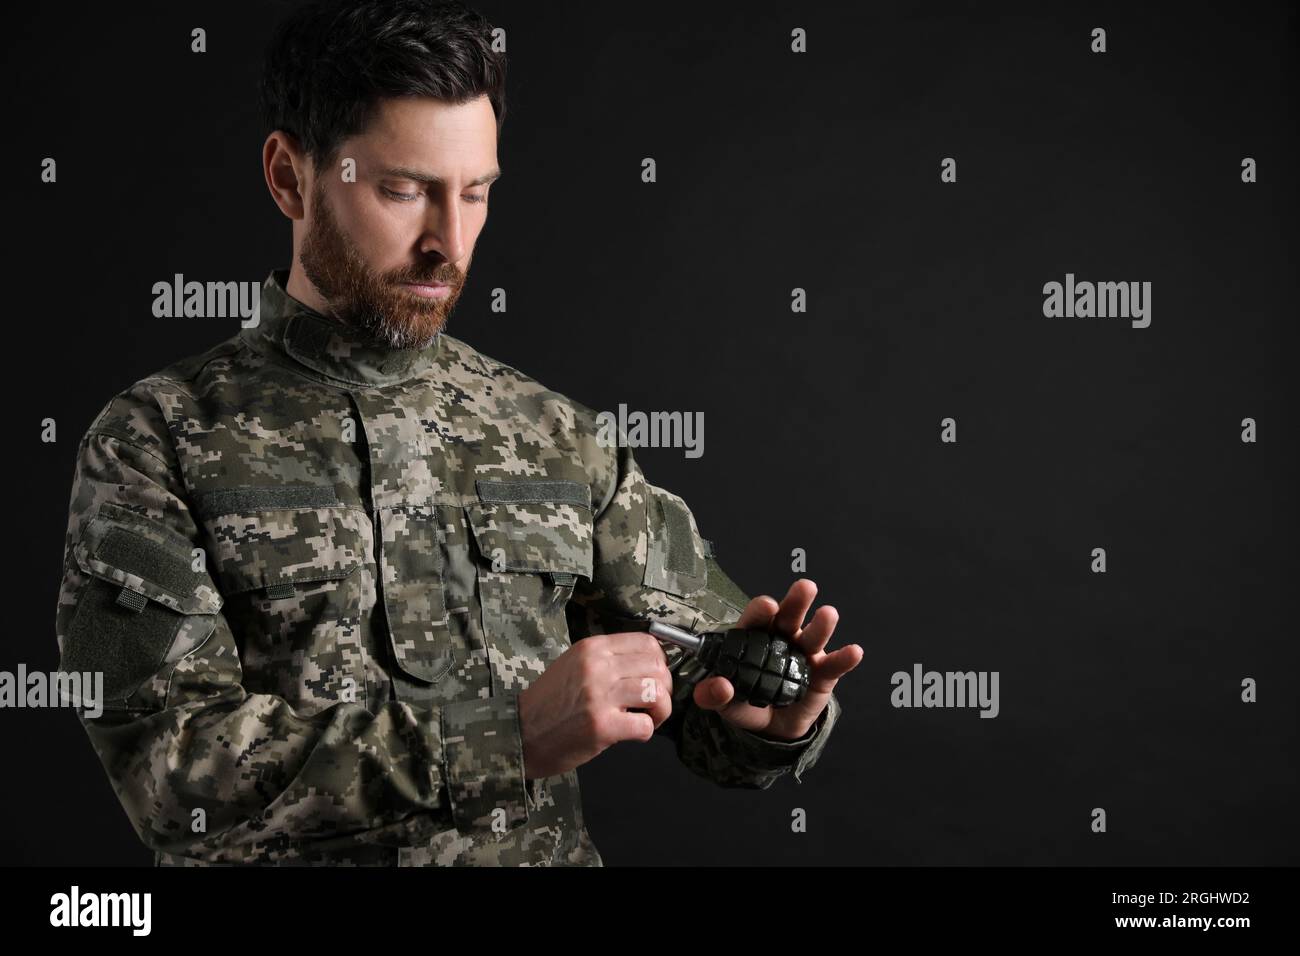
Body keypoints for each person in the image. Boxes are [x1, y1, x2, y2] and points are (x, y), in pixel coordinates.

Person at [54, 0, 862, 866]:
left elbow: (713, 694)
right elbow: (172, 784)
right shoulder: (154, 440)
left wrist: (772, 718)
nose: (450, 241)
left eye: (476, 193)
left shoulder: (555, 435)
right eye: (404, 190)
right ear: (290, 177)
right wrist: (503, 740)